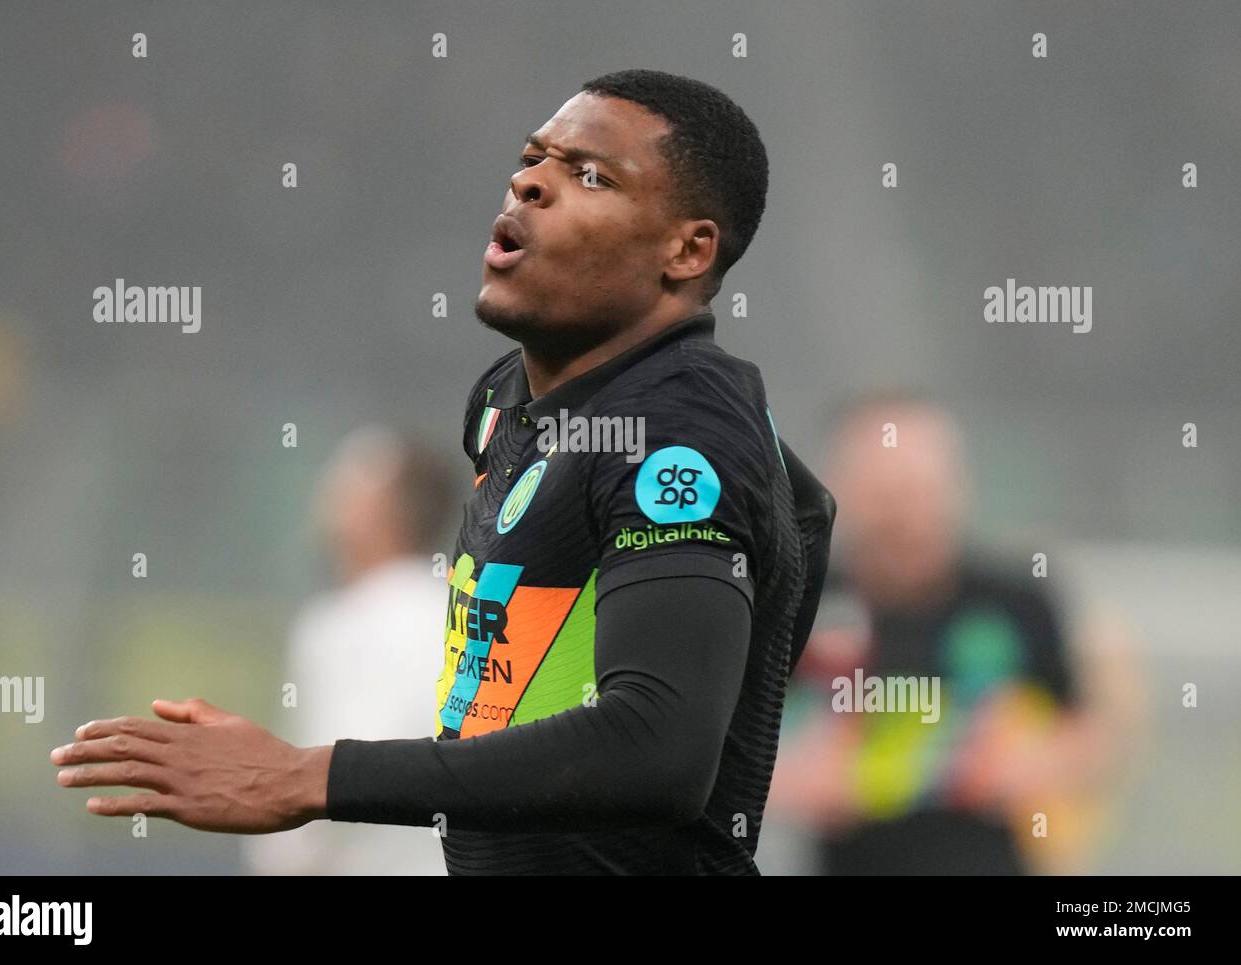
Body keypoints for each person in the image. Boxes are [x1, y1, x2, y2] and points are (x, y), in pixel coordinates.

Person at [49, 68, 836, 876]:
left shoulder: (676, 430)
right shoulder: (504, 397)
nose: (530, 183)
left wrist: (308, 775)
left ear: (687, 248)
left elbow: (656, 746)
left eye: (591, 175)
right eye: (534, 160)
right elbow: (807, 512)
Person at [767, 389, 1114, 874]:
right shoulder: (802, 600)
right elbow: (725, 748)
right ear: (839, 490)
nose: (906, 518)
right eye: (885, 496)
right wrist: (795, 779)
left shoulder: (1017, 597)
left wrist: (1027, 765)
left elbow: (1088, 733)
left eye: (920, 491)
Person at [242, 426, 453, 875]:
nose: (330, 491)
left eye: (353, 481)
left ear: (390, 508)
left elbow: (348, 757)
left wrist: (288, 856)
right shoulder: (341, 619)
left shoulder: (409, 616)